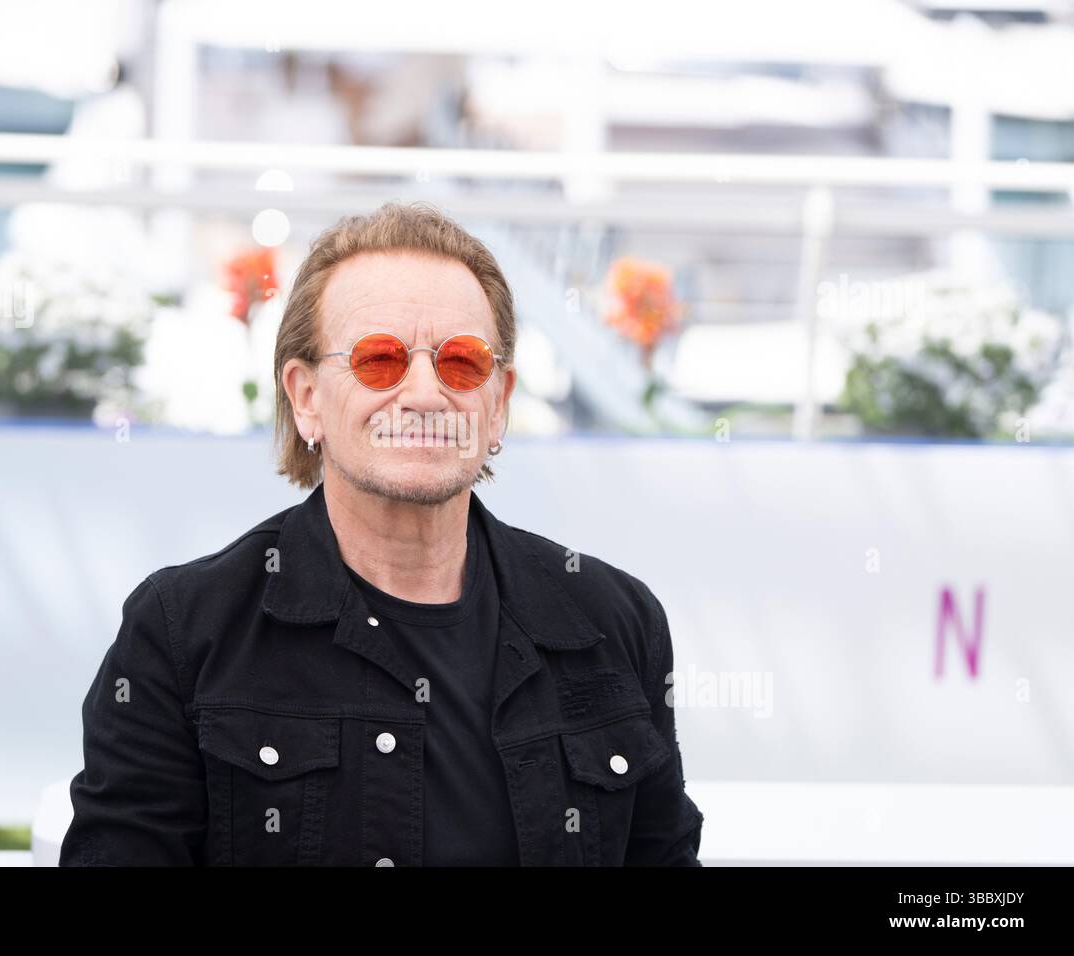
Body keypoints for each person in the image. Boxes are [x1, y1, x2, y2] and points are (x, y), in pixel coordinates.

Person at [59, 201, 704, 866]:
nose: (425, 393)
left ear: (498, 403)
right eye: (379, 359)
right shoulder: (183, 632)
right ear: (306, 396)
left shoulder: (614, 622)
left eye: (461, 362)